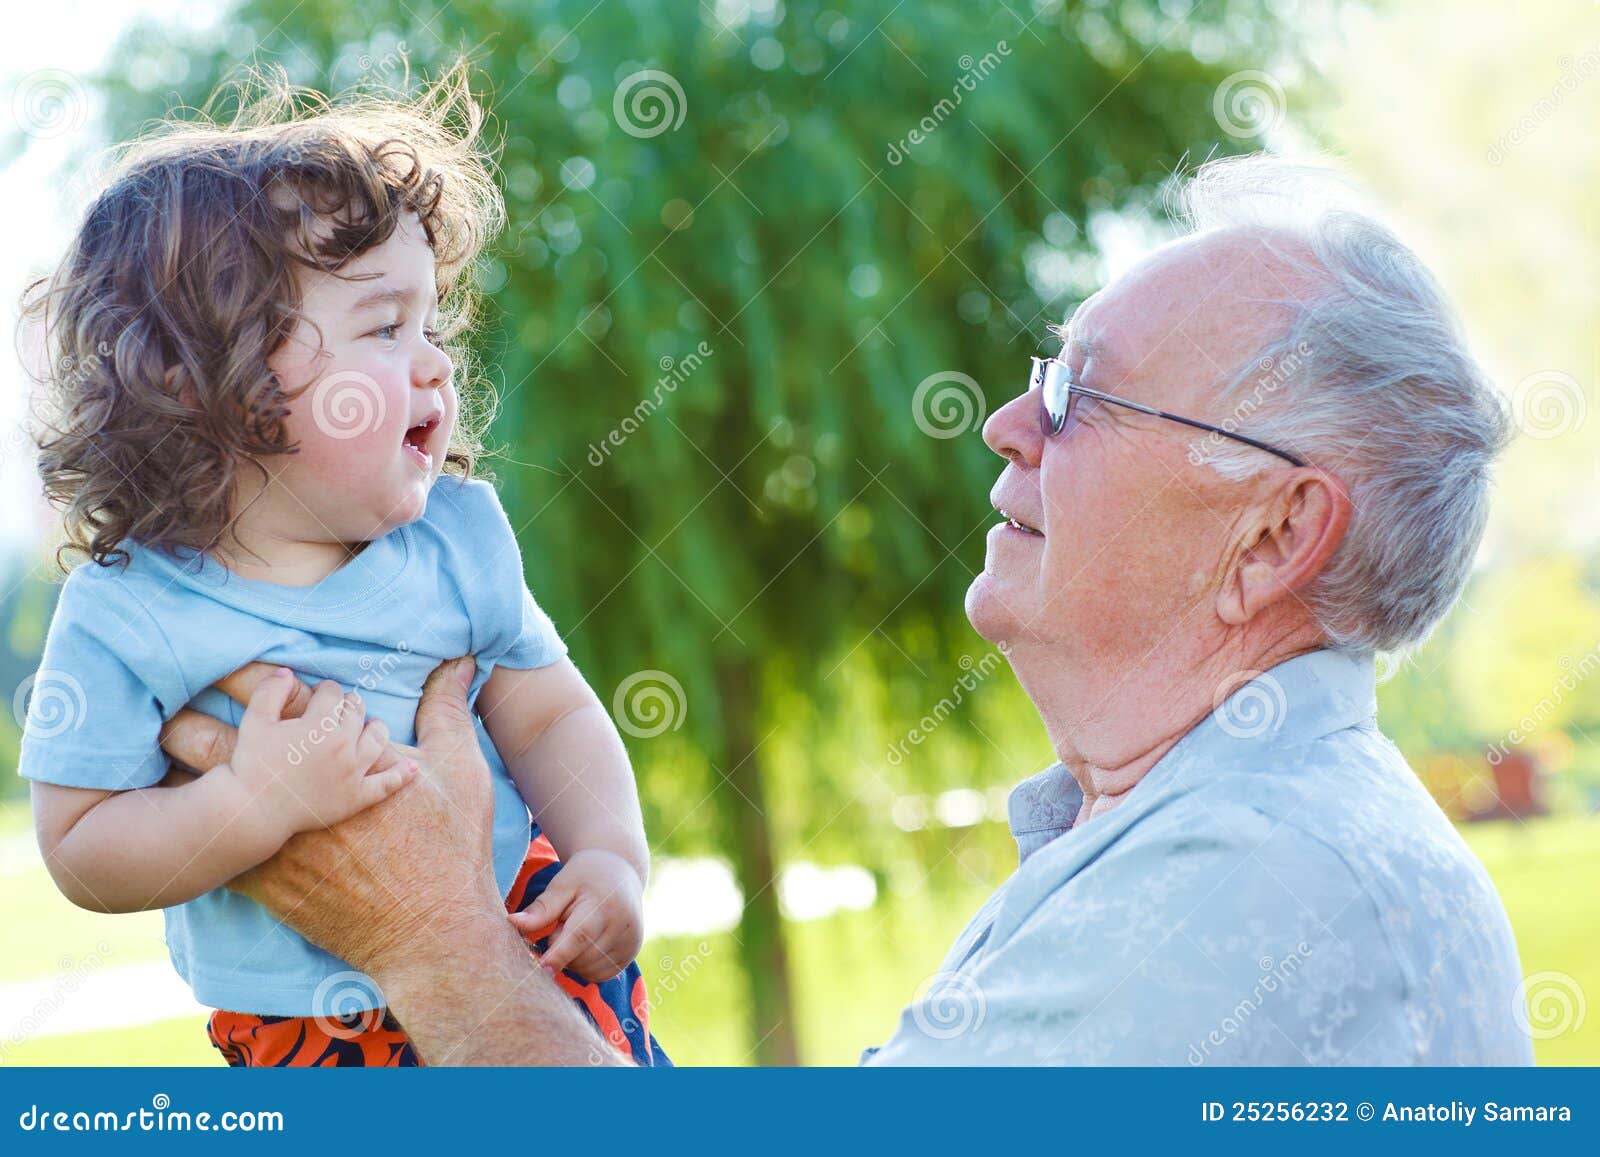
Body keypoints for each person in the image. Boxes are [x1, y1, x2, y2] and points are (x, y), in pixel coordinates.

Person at [159, 155, 1535, 1066]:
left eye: (1080, 397)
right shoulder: (1194, 837)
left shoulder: (1257, 880)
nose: (1007, 423)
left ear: (1276, 533)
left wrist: (427, 943)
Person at [17, 63, 666, 1067]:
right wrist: (247, 806)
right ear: (202, 379)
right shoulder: (131, 606)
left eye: (431, 322)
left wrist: (611, 857)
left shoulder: (456, 541)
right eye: (383, 324)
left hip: (528, 958)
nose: (438, 362)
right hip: (308, 1040)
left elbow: (552, 713)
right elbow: (81, 841)